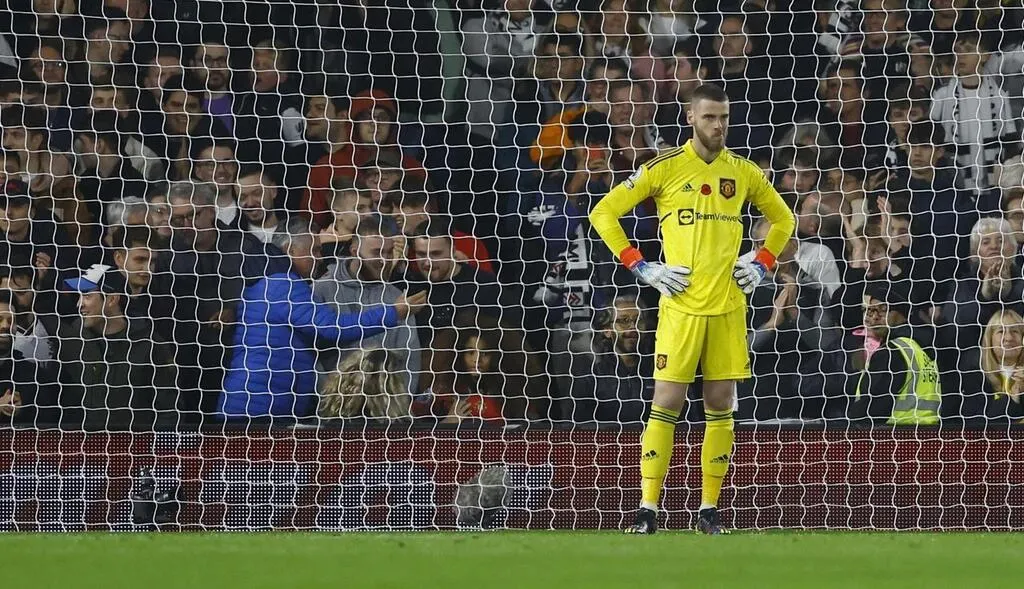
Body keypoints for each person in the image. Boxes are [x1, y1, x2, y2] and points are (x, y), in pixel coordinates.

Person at [589, 83, 795, 535]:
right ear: (690, 117)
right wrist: (641, 266)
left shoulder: (742, 171)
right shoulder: (663, 167)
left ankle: (708, 511)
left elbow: (784, 220)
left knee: (720, 405)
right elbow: (603, 213)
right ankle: (648, 509)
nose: (718, 125)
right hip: (679, 307)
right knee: (666, 403)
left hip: (727, 307)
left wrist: (762, 264)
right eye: (709, 117)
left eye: (723, 117)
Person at [218, 217, 426, 420]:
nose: (319, 258)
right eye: (315, 250)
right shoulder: (286, 286)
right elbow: (332, 328)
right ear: (291, 251)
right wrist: (393, 313)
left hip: (268, 405)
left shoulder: (274, 285)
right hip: (259, 407)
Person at [57, 264, 180, 430]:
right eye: (78, 296)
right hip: (86, 449)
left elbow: (168, 410)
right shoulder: (73, 340)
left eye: (86, 296)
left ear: (112, 299)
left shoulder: (150, 345)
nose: (79, 304)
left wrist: (156, 453)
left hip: (136, 449)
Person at [849, 282, 942, 426]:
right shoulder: (922, 349)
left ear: (901, 313)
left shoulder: (893, 351)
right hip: (927, 435)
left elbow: (872, 410)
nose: (874, 317)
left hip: (895, 438)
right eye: (869, 310)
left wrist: (848, 418)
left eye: (883, 310)